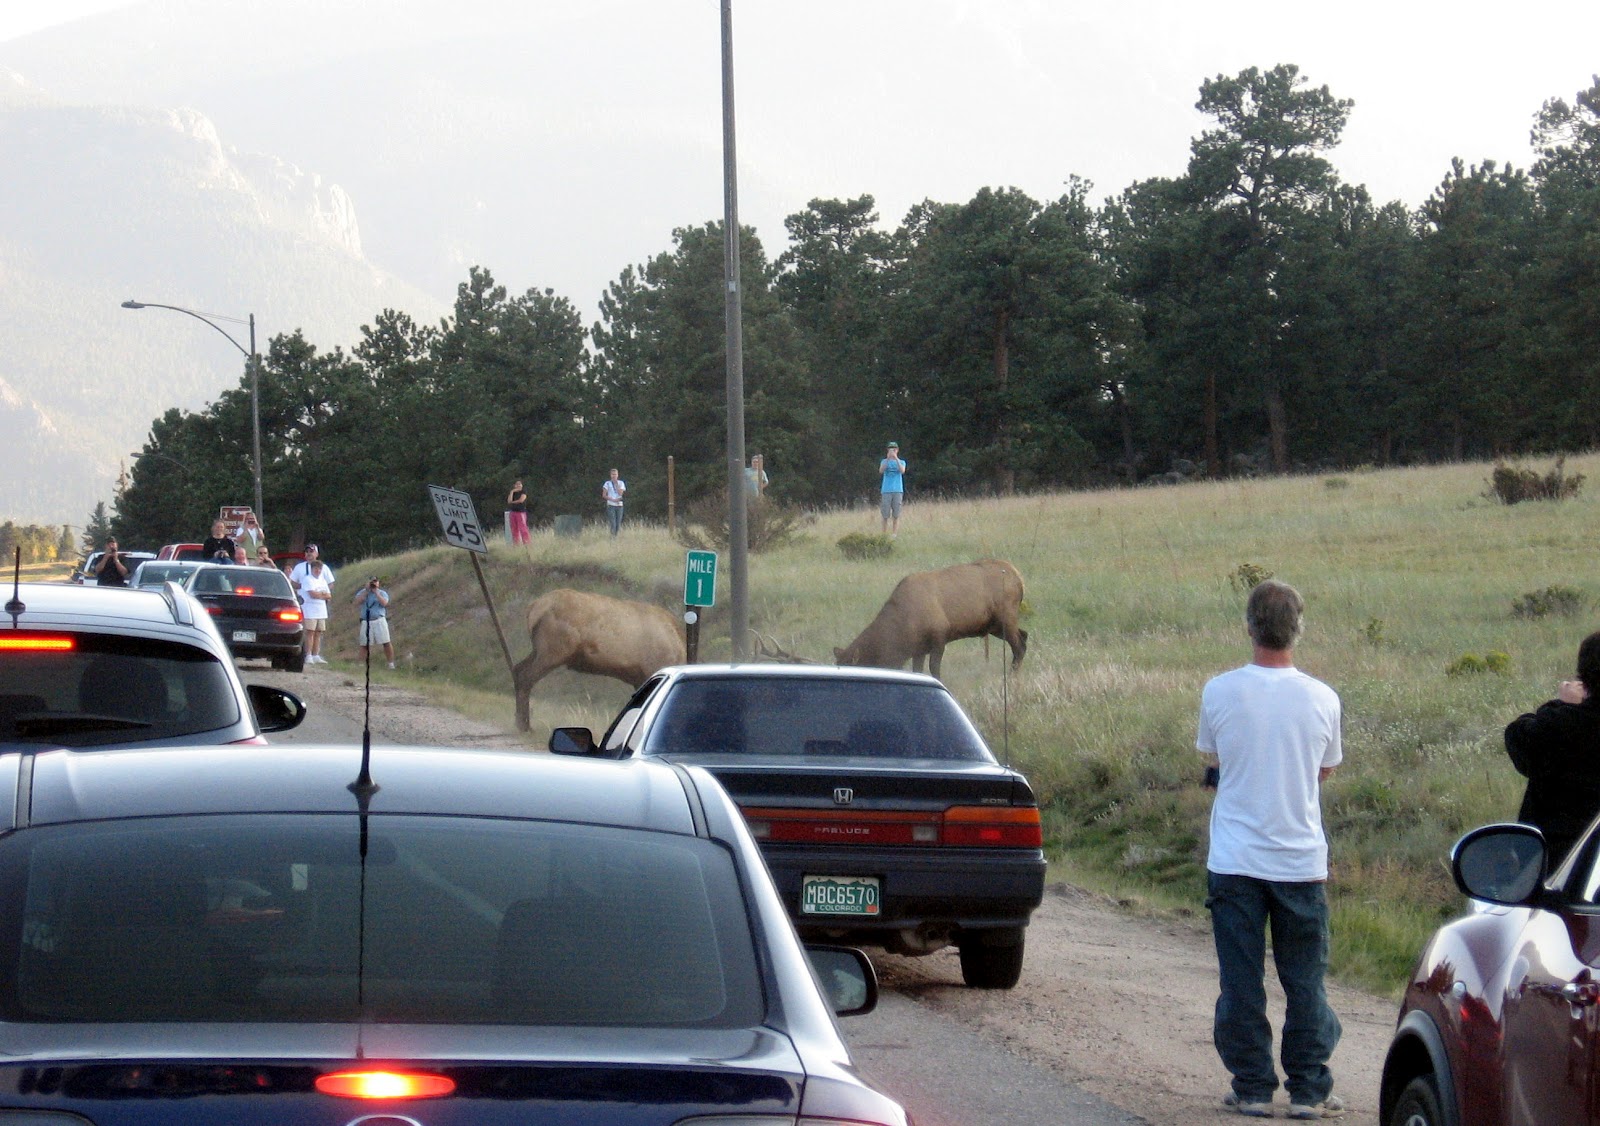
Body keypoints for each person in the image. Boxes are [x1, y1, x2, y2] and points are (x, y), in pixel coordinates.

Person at [1197, 580, 1343, 1120]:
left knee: (1241, 979)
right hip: (1300, 859)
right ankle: (1308, 1087)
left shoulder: (1219, 690)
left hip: (1235, 858)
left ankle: (1253, 1084)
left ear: (1249, 625)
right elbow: (1324, 769)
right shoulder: (1323, 697)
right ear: (1297, 629)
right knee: (1304, 979)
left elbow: (1215, 758)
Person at [1505, 631, 1600, 864]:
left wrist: (1563, 705)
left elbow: (1518, 735)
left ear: (1585, 679)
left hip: (1558, 865)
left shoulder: (1561, 726)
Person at [296, 557, 333, 665]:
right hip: (310, 609)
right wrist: (322, 594)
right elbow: (312, 594)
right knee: (310, 632)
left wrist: (321, 595)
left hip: (321, 609)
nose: (318, 571)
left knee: (319, 632)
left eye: (319, 569)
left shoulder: (322, 580)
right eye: (316, 569)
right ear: (312, 569)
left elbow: (329, 595)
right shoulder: (308, 579)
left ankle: (316, 654)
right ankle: (308, 655)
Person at [354, 577, 396, 669]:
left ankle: (391, 664)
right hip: (366, 620)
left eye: (375, 582)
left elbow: (384, 603)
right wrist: (366, 591)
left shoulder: (382, 593)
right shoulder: (363, 592)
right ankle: (360, 664)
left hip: (379, 619)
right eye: (371, 582)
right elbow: (357, 602)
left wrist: (376, 592)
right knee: (364, 644)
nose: (373, 584)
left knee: (386, 642)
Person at [879, 442, 906, 536]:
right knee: (885, 514)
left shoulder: (902, 462)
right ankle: (884, 534)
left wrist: (896, 458)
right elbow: (881, 470)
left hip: (897, 490)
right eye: (890, 450)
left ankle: (894, 534)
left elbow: (902, 470)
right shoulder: (884, 461)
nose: (892, 452)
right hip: (886, 490)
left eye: (894, 450)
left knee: (896, 514)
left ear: (897, 450)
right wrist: (888, 458)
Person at [602, 468, 626, 536]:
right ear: (610, 475)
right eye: (612, 474)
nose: (614, 476)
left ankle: (616, 535)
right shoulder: (607, 483)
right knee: (613, 523)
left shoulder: (621, 483)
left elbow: (620, 493)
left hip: (619, 505)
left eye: (615, 474)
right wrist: (612, 500)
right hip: (611, 505)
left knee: (618, 524)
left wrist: (616, 484)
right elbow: (604, 495)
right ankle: (613, 538)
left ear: (617, 475)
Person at [506, 480, 530, 545]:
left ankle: (527, 543)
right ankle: (516, 544)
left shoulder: (523, 492)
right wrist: (512, 492)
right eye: (517, 484)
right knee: (514, 529)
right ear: (514, 485)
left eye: (520, 484)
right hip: (513, 512)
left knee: (523, 528)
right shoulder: (513, 493)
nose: (518, 485)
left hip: (521, 512)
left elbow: (521, 500)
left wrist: (512, 502)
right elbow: (509, 501)